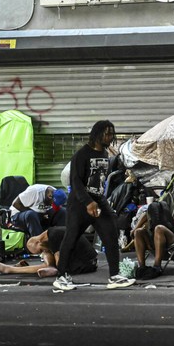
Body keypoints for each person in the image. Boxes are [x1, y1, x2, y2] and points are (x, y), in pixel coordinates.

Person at [52, 120, 134, 291]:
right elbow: (76, 182)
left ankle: (114, 275)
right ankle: (61, 277)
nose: (110, 137)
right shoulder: (82, 155)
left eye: (112, 133)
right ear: (97, 134)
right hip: (80, 203)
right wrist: (88, 202)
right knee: (71, 238)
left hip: (99, 200)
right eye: (107, 133)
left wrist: (98, 201)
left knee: (111, 233)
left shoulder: (105, 153)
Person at [0, 226, 97, 278]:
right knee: (47, 255)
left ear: (38, 242)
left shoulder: (53, 237)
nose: (43, 252)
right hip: (89, 260)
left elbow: (60, 265)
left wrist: (50, 265)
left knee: (51, 265)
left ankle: (10, 269)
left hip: (86, 263)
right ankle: (48, 267)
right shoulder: (51, 233)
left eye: (40, 250)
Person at [132, 200, 174, 280]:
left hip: (172, 244)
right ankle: (142, 267)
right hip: (154, 242)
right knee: (138, 232)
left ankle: (157, 266)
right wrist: (135, 228)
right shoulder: (150, 219)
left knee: (159, 228)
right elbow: (145, 215)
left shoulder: (167, 222)